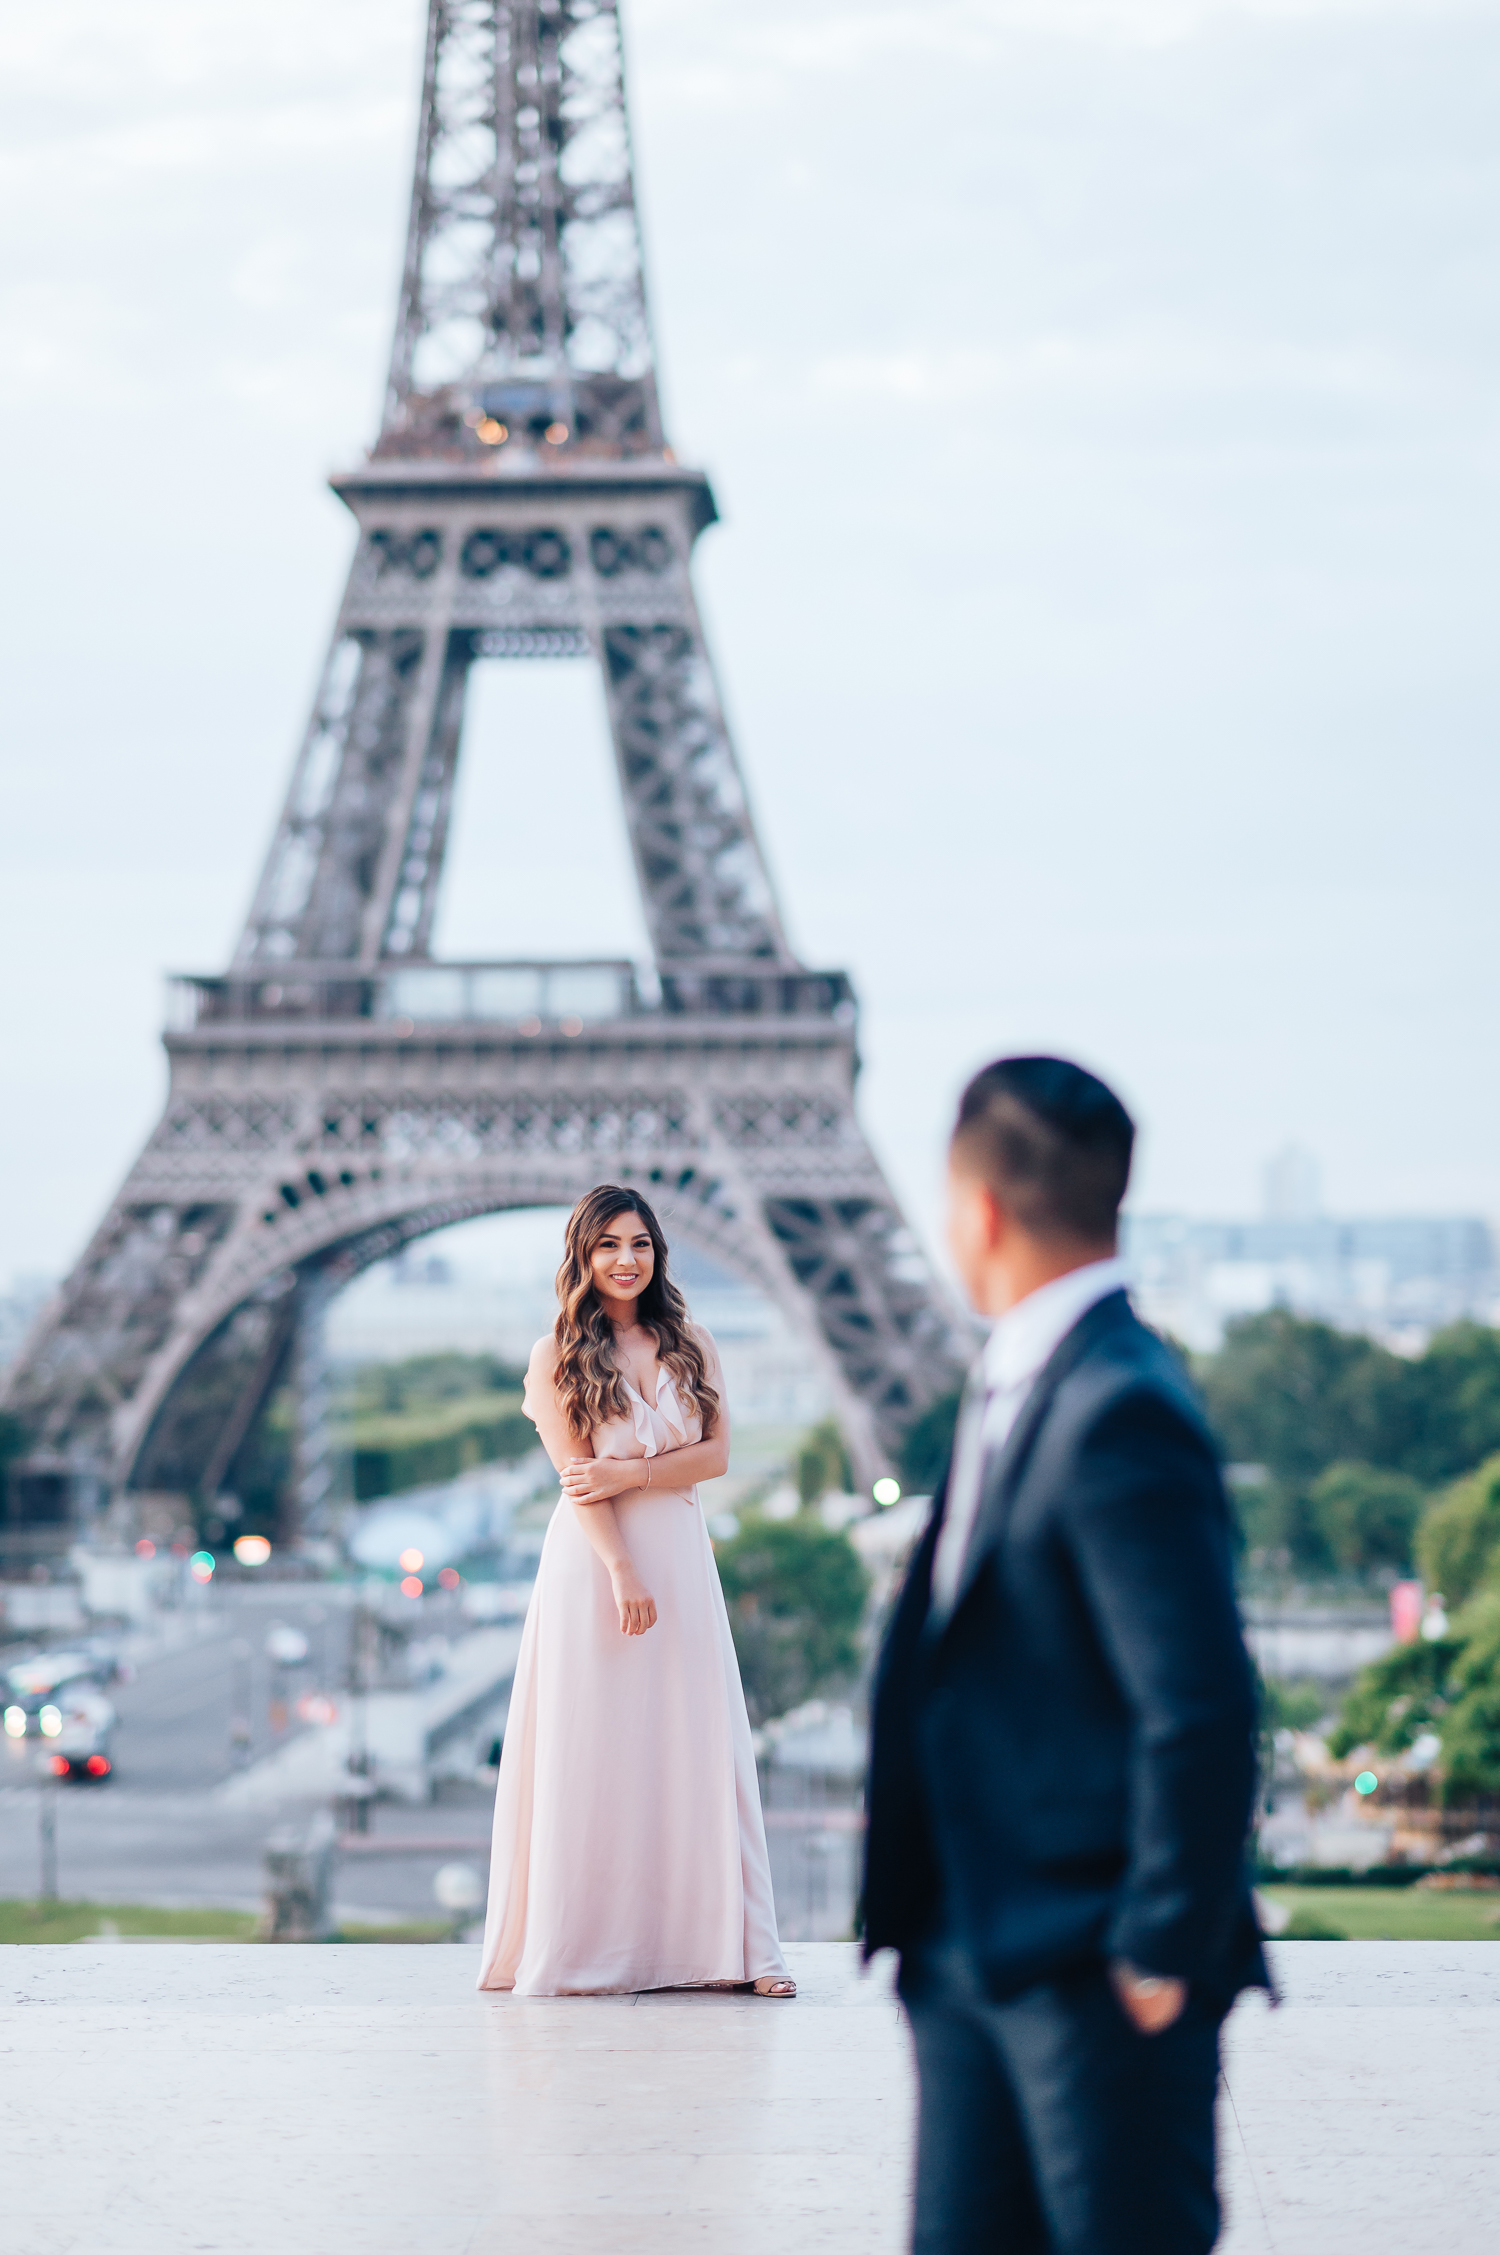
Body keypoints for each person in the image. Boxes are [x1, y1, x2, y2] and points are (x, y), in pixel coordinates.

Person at [863, 1057, 1265, 2254]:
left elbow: (1199, 1700)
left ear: (978, 1210)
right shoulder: (1032, 1379)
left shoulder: (1118, 1404)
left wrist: (1156, 1945)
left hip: (1091, 1965)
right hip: (973, 1945)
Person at [477, 1182, 794, 1999]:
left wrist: (634, 1471)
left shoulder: (692, 1340)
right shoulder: (555, 1355)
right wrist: (621, 1569)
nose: (626, 1259)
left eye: (640, 1244)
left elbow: (717, 1455)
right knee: (597, 1750)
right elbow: (576, 1480)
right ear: (583, 1256)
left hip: (683, 1560)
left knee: (698, 1745)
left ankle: (739, 1949)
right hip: (598, 1563)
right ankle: (589, 1946)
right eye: (609, 1244)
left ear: (658, 1253)